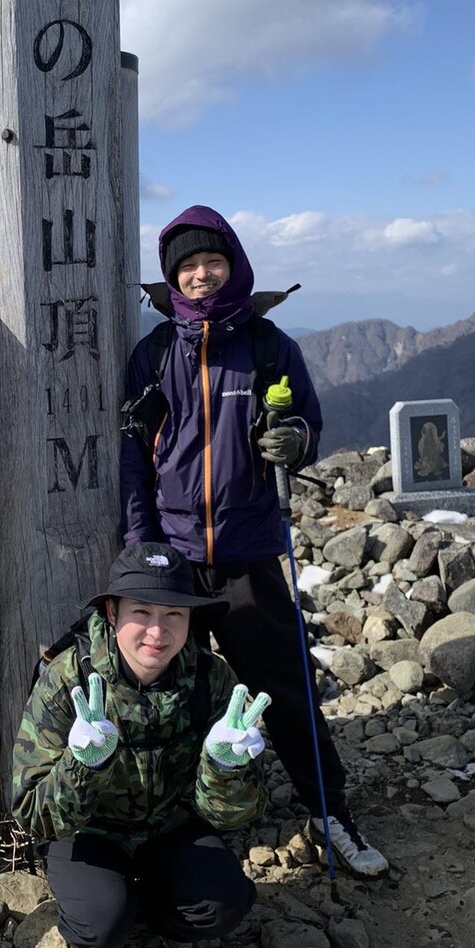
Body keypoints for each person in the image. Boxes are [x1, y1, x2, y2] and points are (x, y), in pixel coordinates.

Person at [120, 205, 388, 877]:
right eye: (188, 267)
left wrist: (295, 441)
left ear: (234, 265)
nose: (202, 274)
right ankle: (182, 827)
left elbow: (304, 425)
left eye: (213, 262)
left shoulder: (269, 347)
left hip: (247, 553)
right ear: (172, 279)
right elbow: (133, 458)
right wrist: (140, 547)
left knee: (286, 687)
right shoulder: (154, 356)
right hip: (176, 559)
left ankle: (330, 813)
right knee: (176, 699)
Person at [12, 542, 265, 948]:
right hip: (88, 833)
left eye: (174, 615)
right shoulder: (66, 681)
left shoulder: (212, 681)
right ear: (112, 612)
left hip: (169, 826)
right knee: (102, 925)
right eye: (141, 611)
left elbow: (231, 816)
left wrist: (225, 767)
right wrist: (81, 767)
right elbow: (32, 814)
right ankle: (104, 942)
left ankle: (146, 926)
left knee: (225, 905)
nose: (157, 631)